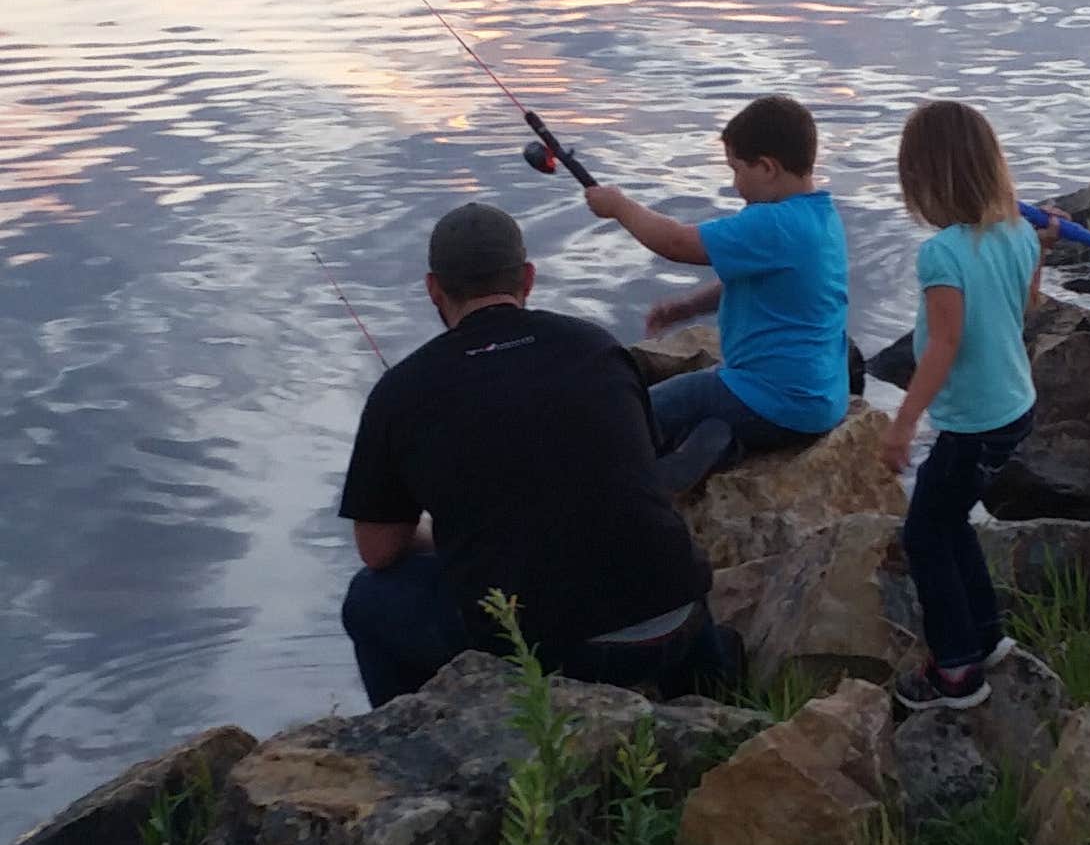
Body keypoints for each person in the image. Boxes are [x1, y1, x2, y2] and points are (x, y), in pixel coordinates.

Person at [337, 201, 733, 708]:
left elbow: (378, 551)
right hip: (676, 624)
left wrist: (447, 532)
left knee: (370, 598)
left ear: (433, 289)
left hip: (559, 654)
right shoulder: (598, 347)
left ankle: (418, 742)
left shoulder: (401, 390)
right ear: (527, 277)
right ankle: (714, 696)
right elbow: (633, 472)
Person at [583, 94, 850, 494]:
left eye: (737, 170)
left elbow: (676, 242)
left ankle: (646, 484)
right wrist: (689, 307)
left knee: (636, 413)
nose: (734, 183)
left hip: (772, 397)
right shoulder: (821, 217)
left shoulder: (772, 223)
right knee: (708, 407)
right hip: (820, 402)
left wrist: (619, 206)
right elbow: (758, 280)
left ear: (767, 168)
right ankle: (721, 441)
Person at [880, 100, 1049, 712]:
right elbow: (1026, 307)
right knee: (950, 520)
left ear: (927, 181)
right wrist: (1042, 250)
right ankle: (987, 635)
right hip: (1014, 408)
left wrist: (903, 424)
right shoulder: (1020, 233)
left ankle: (955, 670)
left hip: (973, 422)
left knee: (925, 533)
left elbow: (945, 344)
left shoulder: (943, 254)